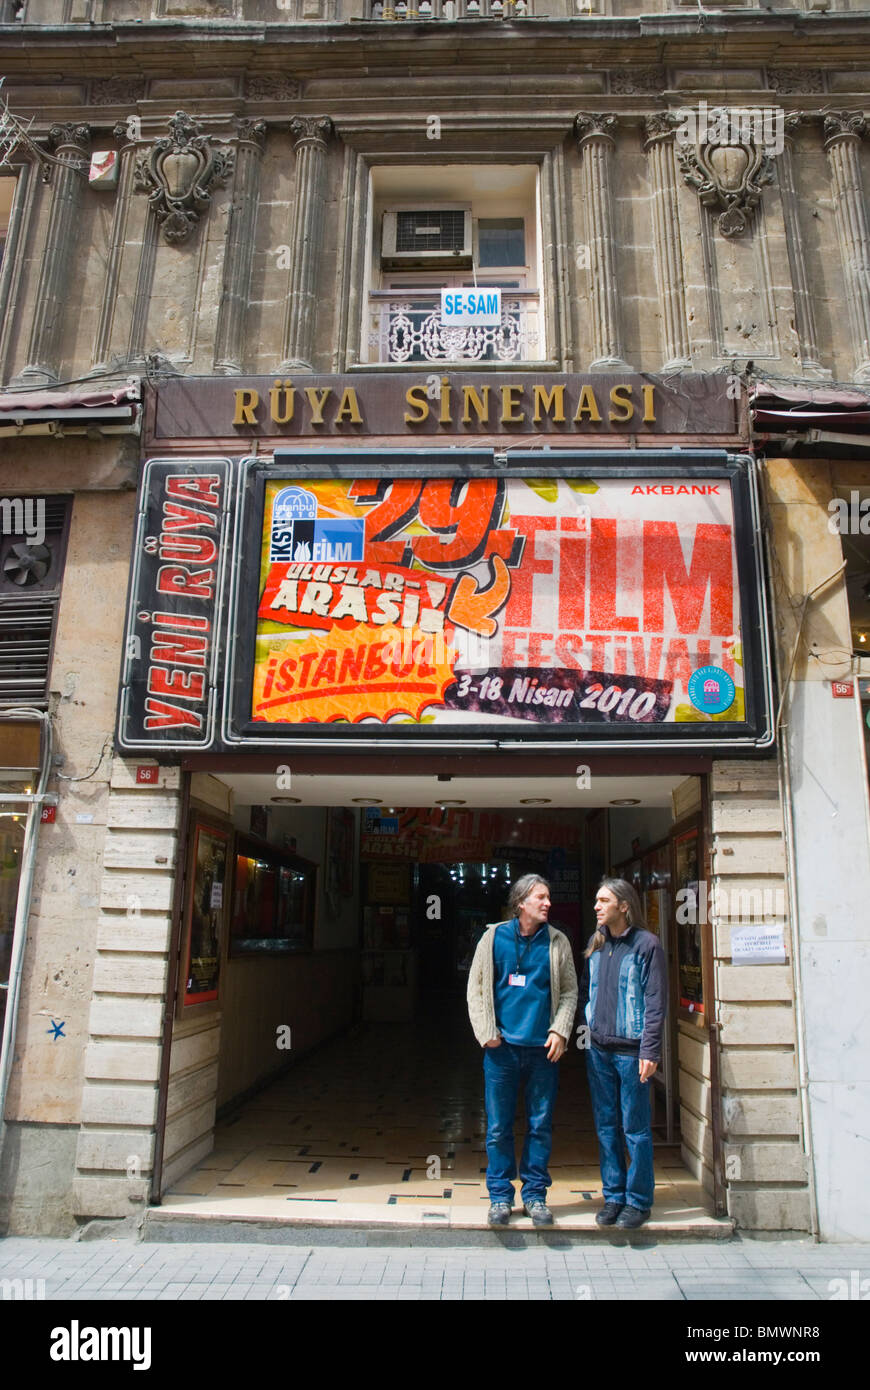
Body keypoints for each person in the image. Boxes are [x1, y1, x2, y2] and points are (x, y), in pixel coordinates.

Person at [467, 873, 578, 1227]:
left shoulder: (558, 941)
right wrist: (486, 1033)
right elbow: (476, 989)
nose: (547, 903)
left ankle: (534, 1195)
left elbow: (571, 992)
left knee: (540, 1124)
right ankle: (500, 1196)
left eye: (548, 898)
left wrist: (560, 1030)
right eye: (540, 898)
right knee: (498, 1127)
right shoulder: (492, 938)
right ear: (521, 903)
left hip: (543, 1052)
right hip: (501, 1052)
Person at [578, 877, 667, 1229]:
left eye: (604, 901)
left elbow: (655, 1002)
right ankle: (613, 1196)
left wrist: (651, 1049)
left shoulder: (647, 945)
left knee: (636, 1128)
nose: (597, 906)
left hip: (632, 1052)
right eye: (596, 900)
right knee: (606, 1126)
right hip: (598, 1049)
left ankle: (639, 1201)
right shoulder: (596, 943)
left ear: (624, 906)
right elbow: (588, 991)